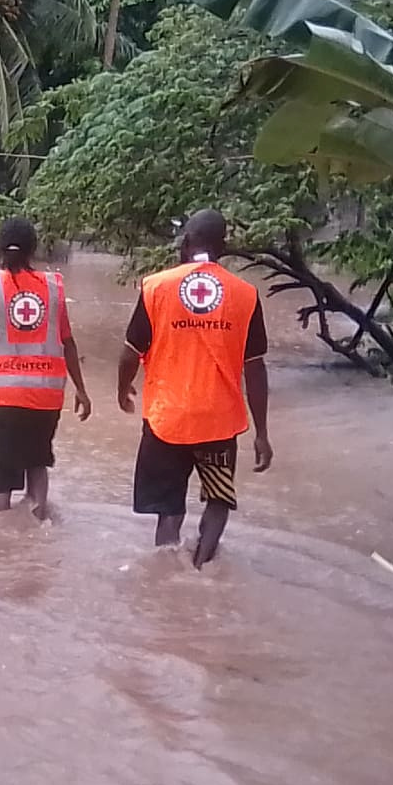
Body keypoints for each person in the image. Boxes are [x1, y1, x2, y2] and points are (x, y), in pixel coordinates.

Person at [116, 209, 273, 568]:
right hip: (218, 424)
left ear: (186, 242)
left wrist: (122, 388)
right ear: (225, 247)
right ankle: (200, 568)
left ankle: (168, 574)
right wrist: (262, 433)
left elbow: (130, 353)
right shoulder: (244, 295)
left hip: (167, 421)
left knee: (168, 510)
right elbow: (256, 368)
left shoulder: (156, 286)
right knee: (218, 499)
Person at [0, 217, 91, 519]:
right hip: (44, 399)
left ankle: (1, 549)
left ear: (1, 246)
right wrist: (81, 389)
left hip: (1, 400)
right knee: (37, 465)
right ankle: (38, 532)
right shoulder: (54, 286)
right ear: (34, 248)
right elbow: (67, 341)